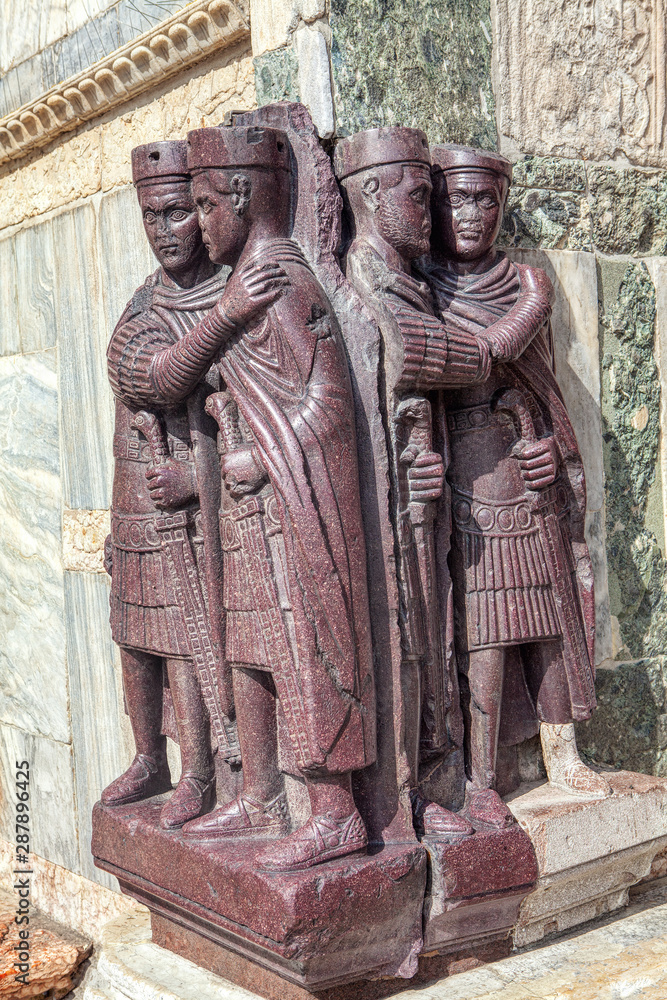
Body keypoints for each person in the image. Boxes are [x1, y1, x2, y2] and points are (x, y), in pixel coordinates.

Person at [137, 124, 376, 873]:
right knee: (249, 654)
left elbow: (328, 405)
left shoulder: (281, 283)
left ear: (242, 197)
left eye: (205, 205)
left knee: (305, 654)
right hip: (250, 511)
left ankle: (335, 813)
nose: (197, 223)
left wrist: (257, 454)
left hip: (291, 508)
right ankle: (261, 796)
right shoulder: (243, 284)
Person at [417, 144, 610, 827]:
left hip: (526, 480)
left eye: (485, 200)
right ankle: (478, 770)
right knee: (484, 634)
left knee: (549, 620)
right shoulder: (420, 289)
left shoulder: (526, 283)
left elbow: (533, 374)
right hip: (465, 485)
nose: (471, 214)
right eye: (455, 200)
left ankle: (563, 752)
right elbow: (426, 382)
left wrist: (548, 445)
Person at [334, 127, 492, 839]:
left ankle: (437, 780)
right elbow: (406, 354)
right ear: (369, 193)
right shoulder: (362, 279)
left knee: (431, 637)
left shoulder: (407, 280)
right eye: (417, 196)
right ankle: (408, 798)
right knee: (404, 642)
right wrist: (486, 347)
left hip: (423, 506)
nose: (431, 214)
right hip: (388, 512)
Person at [102, 140, 234, 831]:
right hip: (136, 492)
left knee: (185, 636)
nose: (163, 230)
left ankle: (200, 773)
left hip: (194, 501)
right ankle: (148, 756)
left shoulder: (231, 294)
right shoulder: (143, 302)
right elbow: (141, 380)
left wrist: (196, 476)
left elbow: (243, 405)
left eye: (178, 212)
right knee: (135, 635)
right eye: (151, 216)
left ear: (205, 212)